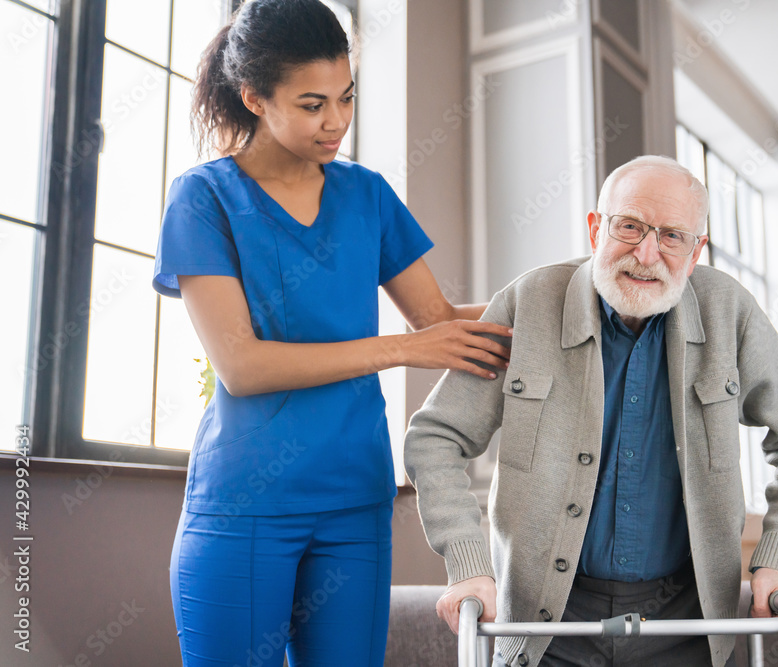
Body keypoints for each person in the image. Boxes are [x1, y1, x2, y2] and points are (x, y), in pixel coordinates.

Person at [152, 1, 511, 665]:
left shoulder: (366, 195)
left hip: (355, 501)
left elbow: (440, 323)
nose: (338, 121)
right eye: (313, 104)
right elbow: (242, 365)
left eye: (346, 97)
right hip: (245, 502)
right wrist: (403, 350)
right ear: (255, 98)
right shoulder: (203, 199)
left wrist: (569, 300)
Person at [404, 155, 778, 667]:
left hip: (688, 623)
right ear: (595, 229)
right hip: (545, 625)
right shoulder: (530, 300)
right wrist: (467, 562)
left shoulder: (729, 310)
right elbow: (436, 436)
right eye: (629, 226)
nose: (647, 253)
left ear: (695, 251)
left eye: (673, 236)